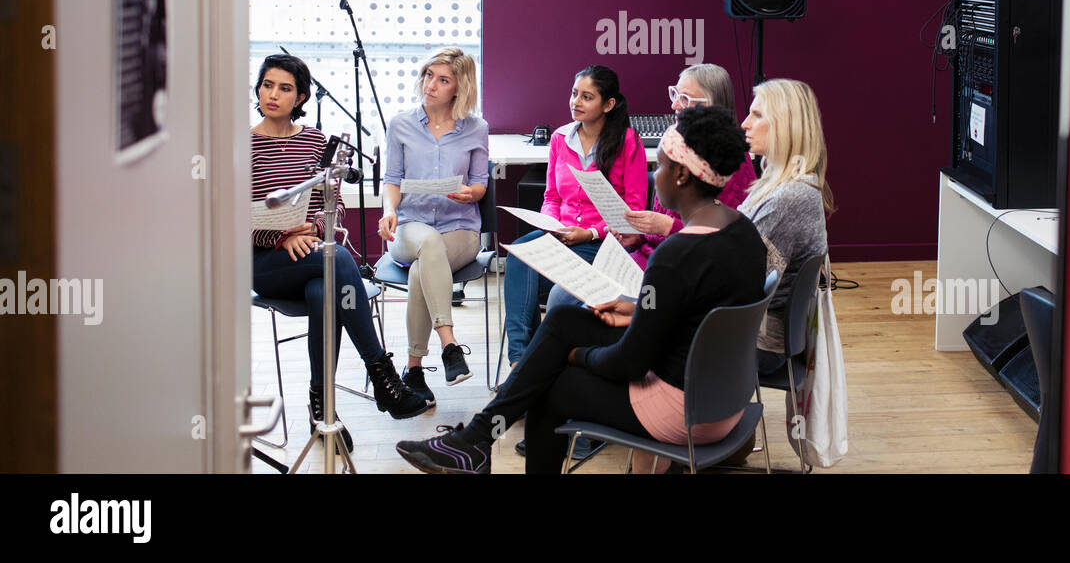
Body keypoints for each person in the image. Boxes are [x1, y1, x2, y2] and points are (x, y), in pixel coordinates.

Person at [395, 105, 764, 474]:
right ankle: (475, 441)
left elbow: (630, 362)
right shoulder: (743, 233)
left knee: (551, 388)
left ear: (682, 175)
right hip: (724, 397)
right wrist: (638, 309)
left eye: (661, 166)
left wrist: (577, 356)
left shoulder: (675, 255)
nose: (655, 175)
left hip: (684, 410)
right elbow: (701, 309)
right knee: (563, 320)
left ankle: (474, 443)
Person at [250, 54, 430, 453]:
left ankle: (322, 408)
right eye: (267, 85)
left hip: (312, 251)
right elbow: (232, 218)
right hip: (264, 262)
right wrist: (279, 238)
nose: (273, 94)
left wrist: (313, 228)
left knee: (323, 292)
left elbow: (333, 202)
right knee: (339, 259)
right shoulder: (242, 145)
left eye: (284, 88)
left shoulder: (315, 141)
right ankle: (382, 376)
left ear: (300, 97)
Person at [501, 65, 647, 366]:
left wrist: (590, 232)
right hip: (561, 236)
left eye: (587, 97)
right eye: (574, 93)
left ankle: (526, 362)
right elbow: (551, 197)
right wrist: (551, 224)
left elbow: (633, 213)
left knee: (532, 287)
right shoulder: (559, 139)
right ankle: (521, 359)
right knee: (519, 255)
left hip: (602, 242)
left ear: (608, 105)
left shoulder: (628, 141)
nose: (575, 102)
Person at [377, 47, 488, 399]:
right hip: (410, 226)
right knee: (427, 244)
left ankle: (413, 372)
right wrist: (388, 210)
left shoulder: (477, 128)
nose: (431, 85)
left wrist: (471, 193)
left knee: (421, 268)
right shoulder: (401, 124)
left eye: (443, 80)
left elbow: (480, 182)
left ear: (460, 87)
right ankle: (449, 343)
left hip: (461, 230)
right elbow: (391, 179)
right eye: (429, 76)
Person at [738, 78, 835, 377]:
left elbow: (743, 281)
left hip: (757, 343)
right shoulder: (783, 185)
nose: (744, 124)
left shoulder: (787, 198)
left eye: (756, 115)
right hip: (757, 333)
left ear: (785, 125)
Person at [618, 63, 757, 268]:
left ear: (711, 105)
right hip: (655, 257)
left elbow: (722, 242)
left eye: (684, 98)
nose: (675, 105)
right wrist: (641, 235)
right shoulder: (678, 145)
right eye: (675, 94)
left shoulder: (731, 162)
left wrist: (667, 226)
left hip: (680, 265)